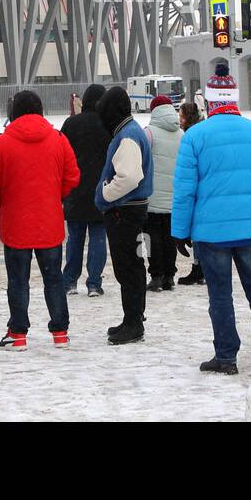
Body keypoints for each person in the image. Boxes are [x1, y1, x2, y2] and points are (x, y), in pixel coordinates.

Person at [171, 70, 251, 375]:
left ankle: (226, 356)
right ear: (234, 98)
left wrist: (179, 231)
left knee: (220, 294)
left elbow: (184, 190)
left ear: (209, 100)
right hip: (250, 230)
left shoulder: (195, 136)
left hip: (210, 232)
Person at [0, 90, 79, 352]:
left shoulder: (4, 142)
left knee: (17, 281)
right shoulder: (58, 139)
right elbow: (72, 176)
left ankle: (18, 333)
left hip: (16, 224)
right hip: (49, 222)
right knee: (54, 279)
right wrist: (54, 196)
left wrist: (5, 202)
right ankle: (60, 332)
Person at [95, 85, 153, 345]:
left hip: (124, 211)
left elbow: (129, 176)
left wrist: (105, 194)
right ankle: (133, 318)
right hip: (131, 210)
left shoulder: (127, 136)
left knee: (127, 267)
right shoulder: (130, 131)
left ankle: (133, 322)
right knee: (132, 266)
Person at [59, 84, 110, 297]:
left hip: (75, 188)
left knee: (75, 237)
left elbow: (61, 154)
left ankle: (70, 280)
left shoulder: (71, 124)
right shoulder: (108, 124)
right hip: (101, 189)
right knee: (98, 238)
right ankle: (94, 283)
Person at [145, 95, 181, 292]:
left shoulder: (148, 133)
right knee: (170, 238)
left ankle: (156, 275)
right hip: (174, 198)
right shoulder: (182, 134)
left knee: (151, 238)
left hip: (151, 197)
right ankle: (169, 275)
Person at [175, 101, 207, 286]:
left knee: (198, 233)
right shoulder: (200, 131)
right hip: (202, 190)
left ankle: (199, 268)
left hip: (197, 192)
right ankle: (199, 267)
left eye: (181, 116)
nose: (179, 119)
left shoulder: (190, 136)